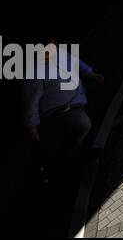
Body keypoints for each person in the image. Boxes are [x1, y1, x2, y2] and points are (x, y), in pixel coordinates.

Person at [22, 40, 104, 176]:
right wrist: (32, 125)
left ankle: (74, 152)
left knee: (80, 129)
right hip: (60, 111)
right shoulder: (34, 75)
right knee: (83, 125)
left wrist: (92, 74)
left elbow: (76, 63)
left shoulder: (58, 54)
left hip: (78, 100)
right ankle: (68, 159)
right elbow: (30, 101)